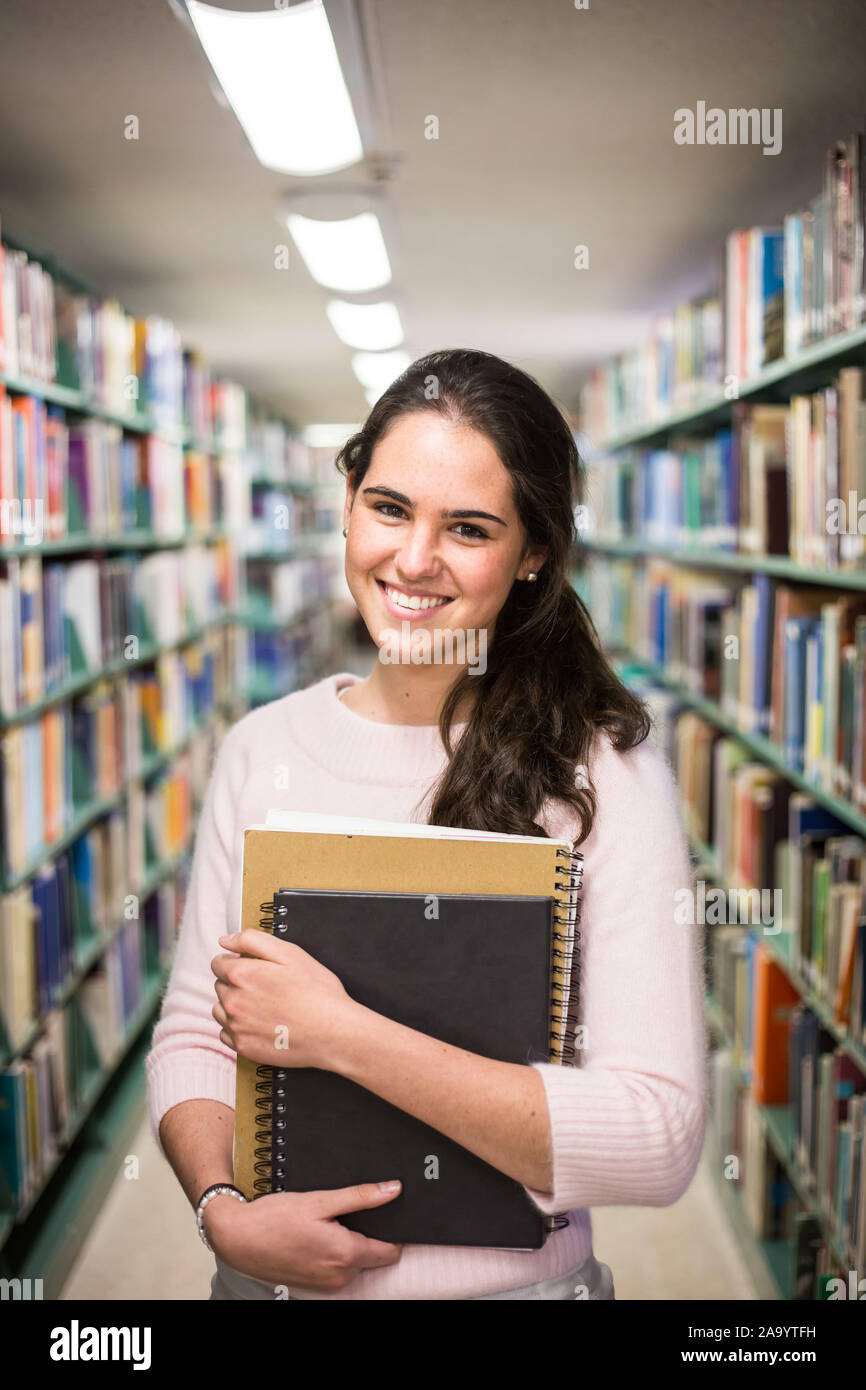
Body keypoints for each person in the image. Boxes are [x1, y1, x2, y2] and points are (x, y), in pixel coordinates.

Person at [145, 347, 707, 1301]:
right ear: (350, 501)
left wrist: (340, 1034)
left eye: (470, 528)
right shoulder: (260, 749)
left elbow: (656, 1136)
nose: (413, 561)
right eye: (390, 507)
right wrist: (222, 1214)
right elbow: (200, 1030)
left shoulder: (603, 773)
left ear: (533, 553)